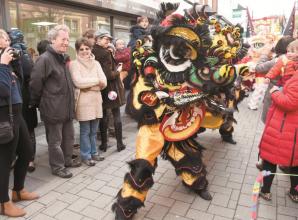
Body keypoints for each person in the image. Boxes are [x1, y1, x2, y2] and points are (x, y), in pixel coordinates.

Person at [30, 25, 81, 178]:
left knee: (69, 137)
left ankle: (67, 161)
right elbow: (35, 83)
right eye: (63, 39)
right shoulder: (45, 59)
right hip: (53, 108)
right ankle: (58, 167)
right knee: (55, 141)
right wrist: (39, 102)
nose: (66, 42)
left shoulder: (62, 57)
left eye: (68, 39)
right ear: (53, 40)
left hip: (66, 107)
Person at [0, 30, 38, 217]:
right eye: (2, 37)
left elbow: (22, 81)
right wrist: (2, 66)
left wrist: (15, 62)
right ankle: (4, 203)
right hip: (3, 115)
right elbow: (3, 91)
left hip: (17, 113)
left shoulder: (6, 61)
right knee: (5, 161)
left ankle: (18, 190)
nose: (6, 40)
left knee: (27, 151)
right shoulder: (1, 63)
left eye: (7, 38)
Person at [258, 73, 298, 203]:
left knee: (270, 159)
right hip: (292, 128)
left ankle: (266, 191)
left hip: (284, 127)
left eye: (294, 51)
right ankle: (294, 192)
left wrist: (275, 92)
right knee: (295, 163)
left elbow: (289, 103)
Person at [69, 37, 107, 166]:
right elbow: (78, 82)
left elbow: (105, 82)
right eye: (81, 49)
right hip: (83, 103)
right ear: (77, 50)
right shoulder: (74, 64)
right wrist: (96, 81)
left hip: (96, 101)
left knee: (93, 131)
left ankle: (94, 152)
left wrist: (88, 85)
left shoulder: (96, 63)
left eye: (87, 48)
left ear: (91, 49)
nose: (85, 51)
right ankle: (86, 155)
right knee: (85, 131)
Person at [8, 29, 38, 173]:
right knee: (19, 130)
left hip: (24, 97)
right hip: (16, 98)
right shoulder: (8, 54)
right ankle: (23, 158)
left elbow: (28, 72)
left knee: (27, 130)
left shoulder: (23, 53)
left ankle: (29, 159)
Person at [92, 32, 126, 152]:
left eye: (109, 39)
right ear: (97, 39)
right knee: (116, 114)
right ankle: (119, 144)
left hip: (101, 88)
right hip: (110, 88)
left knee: (104, 116)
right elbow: (109, 75)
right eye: (105, 39)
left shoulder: (94, 51)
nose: (107, 41)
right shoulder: (105, 53)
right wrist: (118, 70)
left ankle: (104, 144)